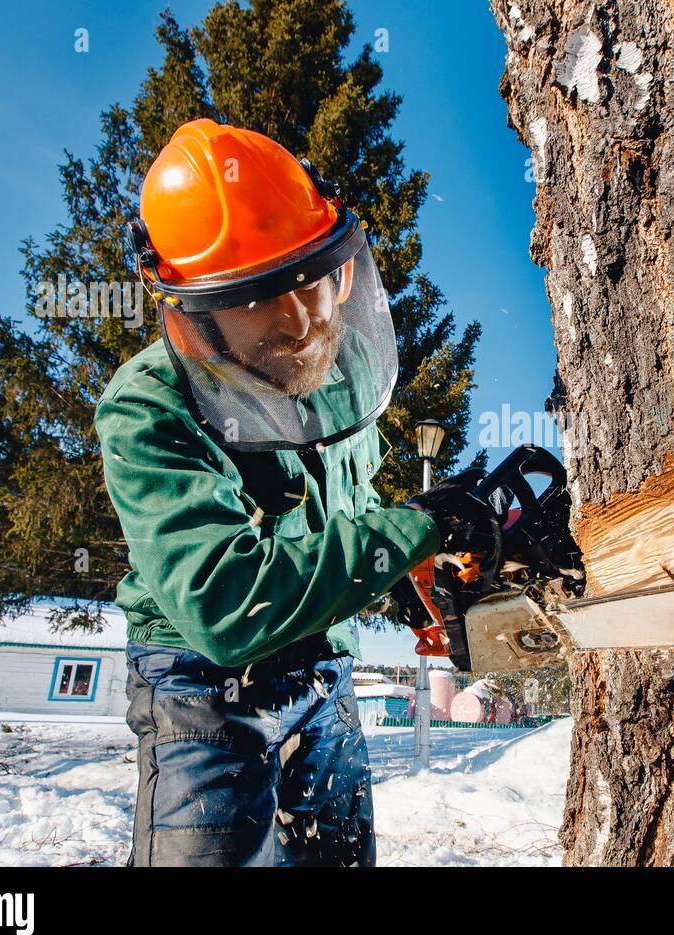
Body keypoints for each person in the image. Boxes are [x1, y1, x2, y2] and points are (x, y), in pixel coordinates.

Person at [95, 118, 443, 866]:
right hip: (201, 683)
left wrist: (415, 570)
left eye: (312, 278)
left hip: (327, 661)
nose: (302, 320)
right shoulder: (149, 406)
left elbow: (352, 510)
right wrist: (414, 528)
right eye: (258, 299)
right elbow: (227, 604)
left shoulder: (332, 370)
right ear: (198, 319)